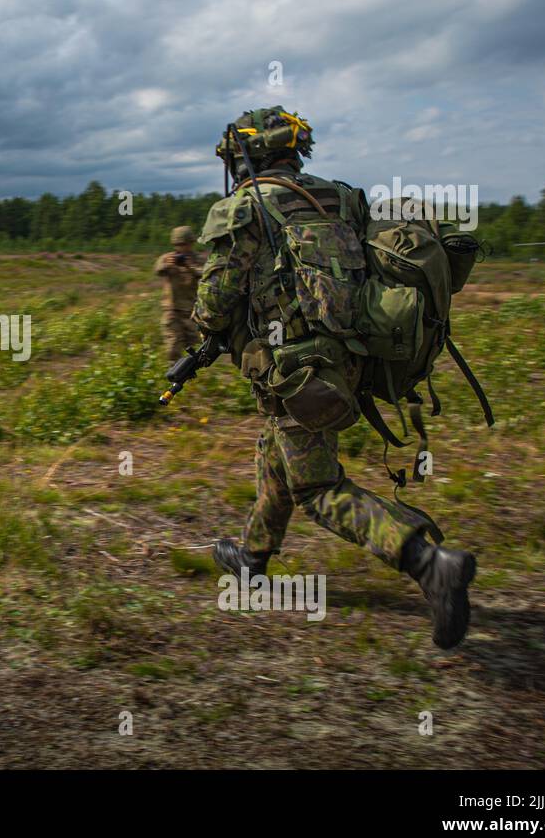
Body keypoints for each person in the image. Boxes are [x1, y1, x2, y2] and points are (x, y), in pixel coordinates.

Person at [191, 106, 476, 649]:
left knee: (317, 487)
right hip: (347, 359)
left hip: (295, 368)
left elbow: (212, 301)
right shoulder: (339, 197)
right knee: (279, 451)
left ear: (247, 155)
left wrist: (215, 325)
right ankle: (252, 557)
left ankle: (427, 561)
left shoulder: (247, 207)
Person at [154, 226, 202, 362]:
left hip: (192, 311)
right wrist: (167, 266)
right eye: (178, 245)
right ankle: (174, 374)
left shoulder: (197, 259)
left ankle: (192, 375)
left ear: (191, 243)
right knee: (173, 346)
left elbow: (205, 274)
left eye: (185, 244)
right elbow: (158, 270)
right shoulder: (167, 258)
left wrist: (189, 267)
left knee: (195, 347)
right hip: (172, 310)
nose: (182, 248)